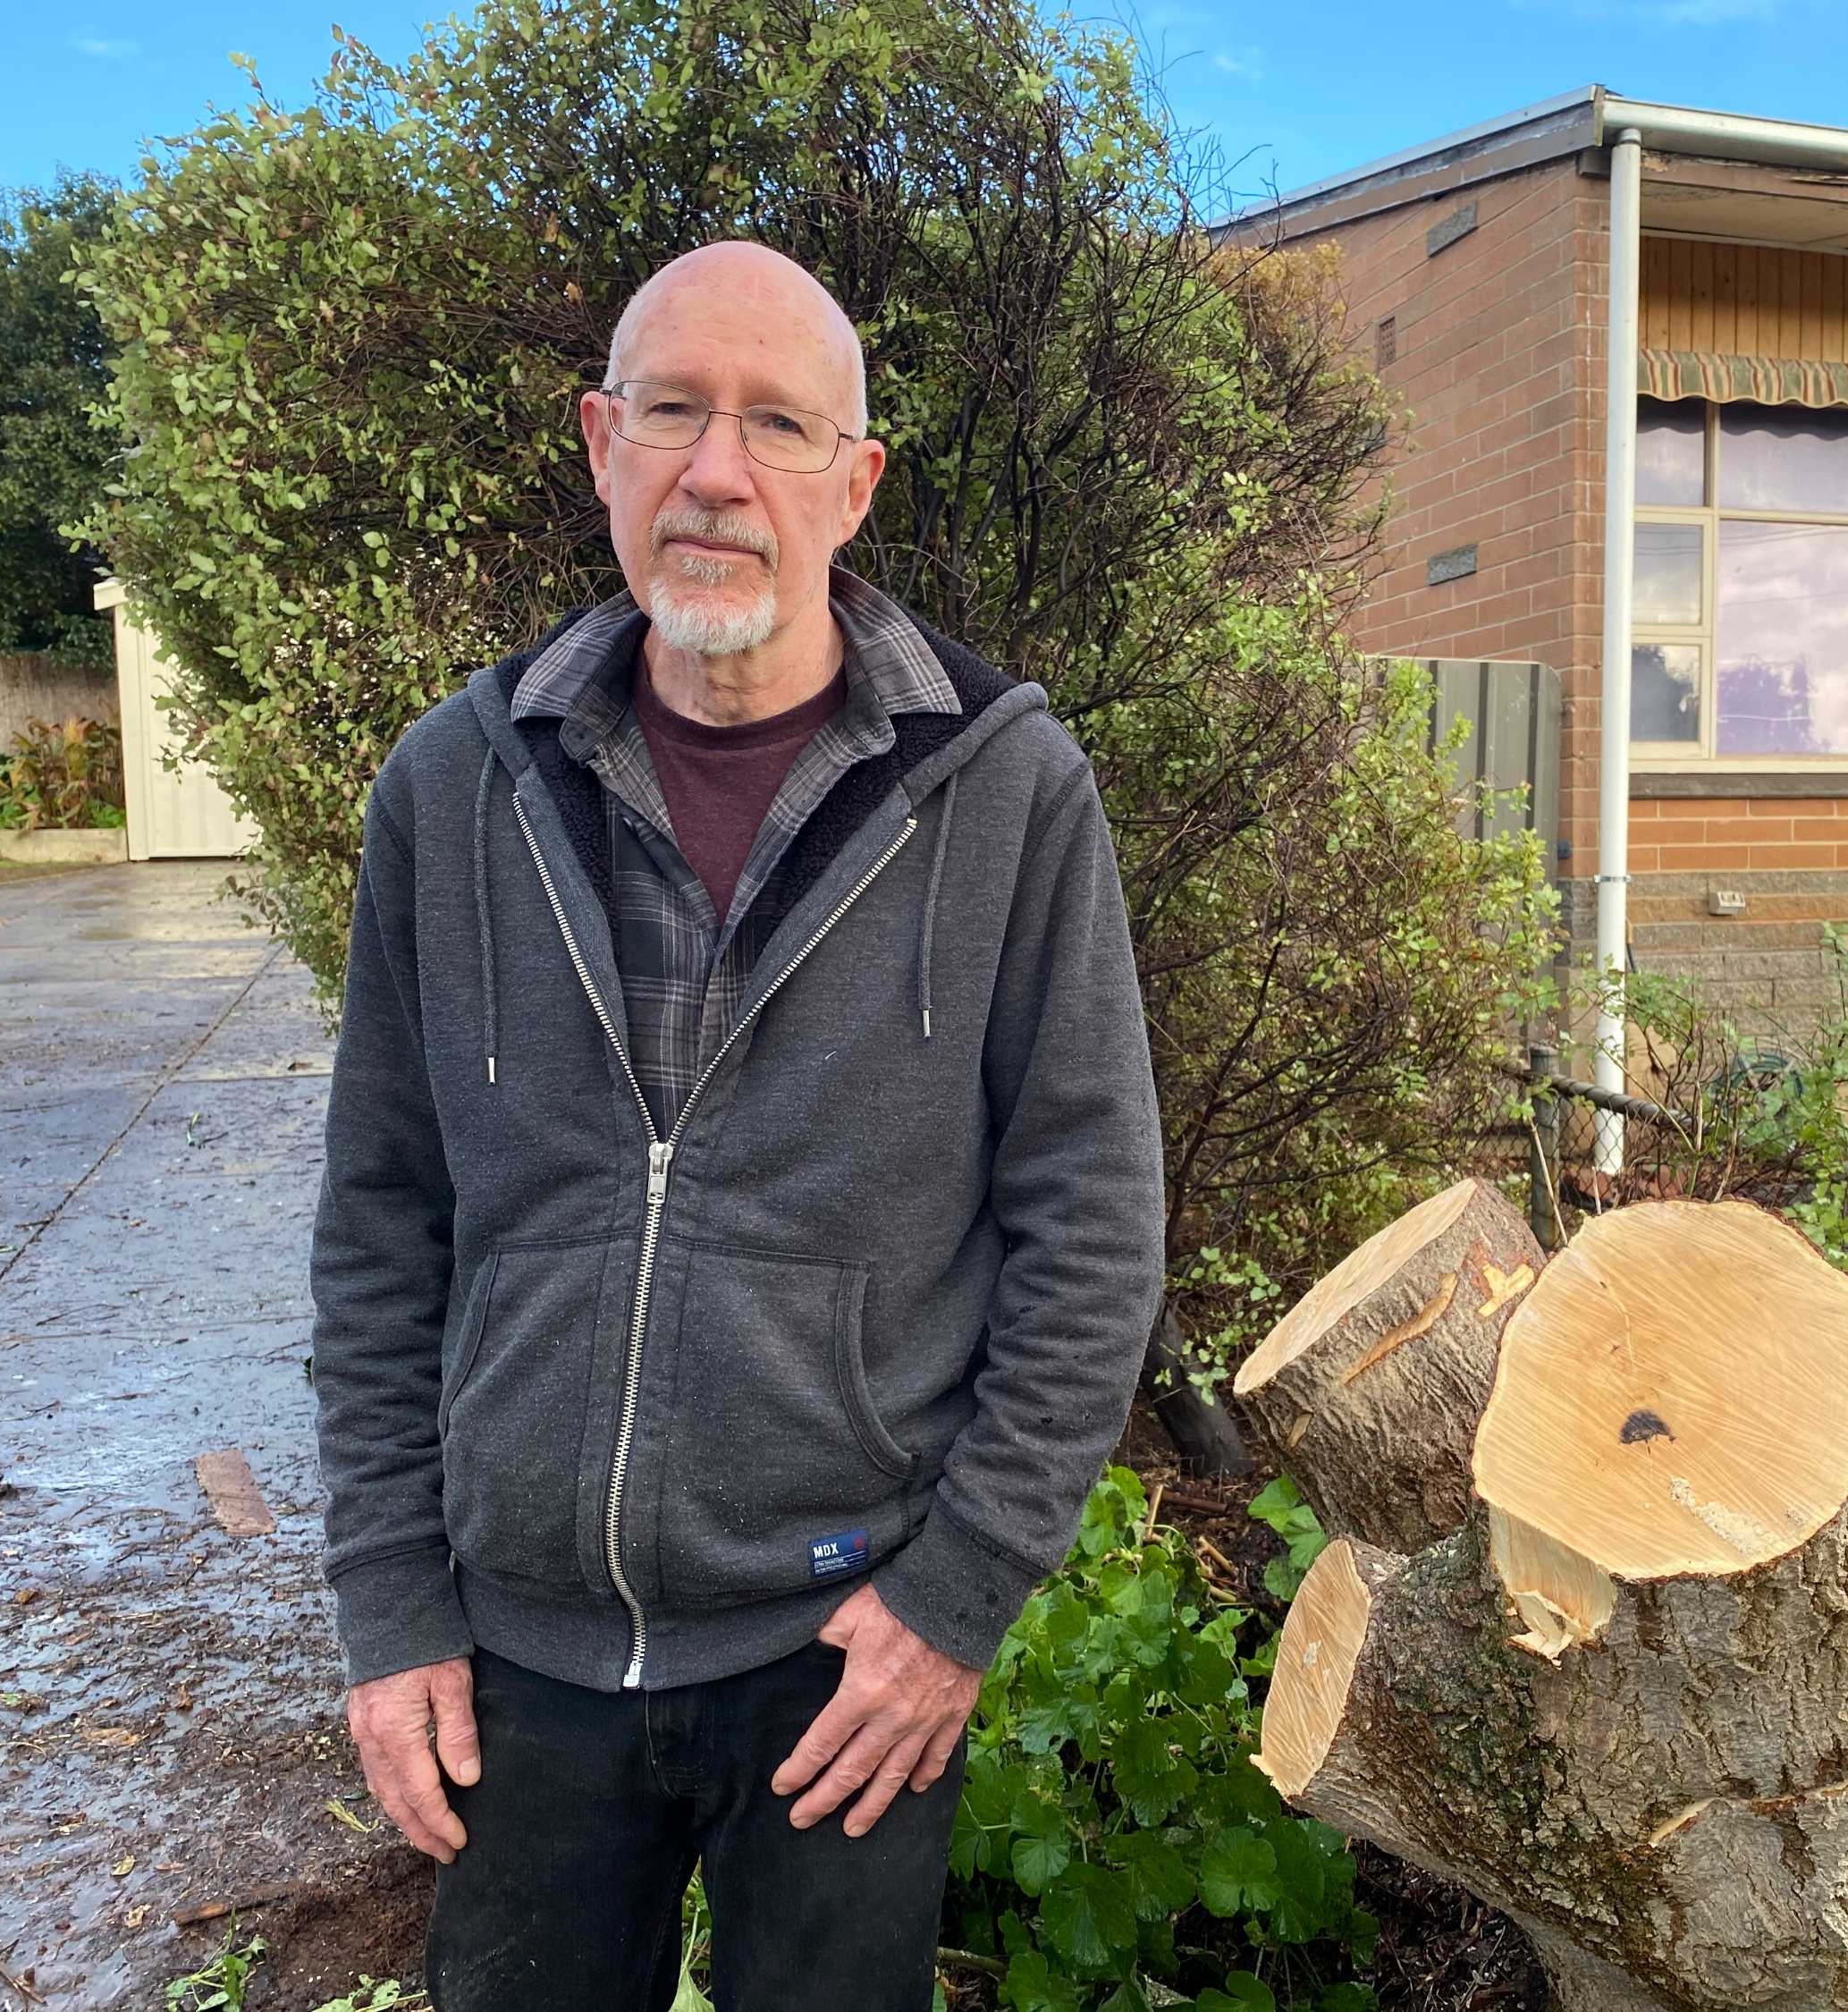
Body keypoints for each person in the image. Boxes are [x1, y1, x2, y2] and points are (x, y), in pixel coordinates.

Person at [307, 241, 1168, 2011]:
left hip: (839, 1648)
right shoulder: (453, 788)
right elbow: (380, 1223)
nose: (717, 470)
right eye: (674, 411)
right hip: (516, 1654)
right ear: (599, 443)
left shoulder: (1004, 787)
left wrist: (956, 1608)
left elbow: (1094, 1224)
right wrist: (391, 1610)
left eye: (779, 424)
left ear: (852, 487)